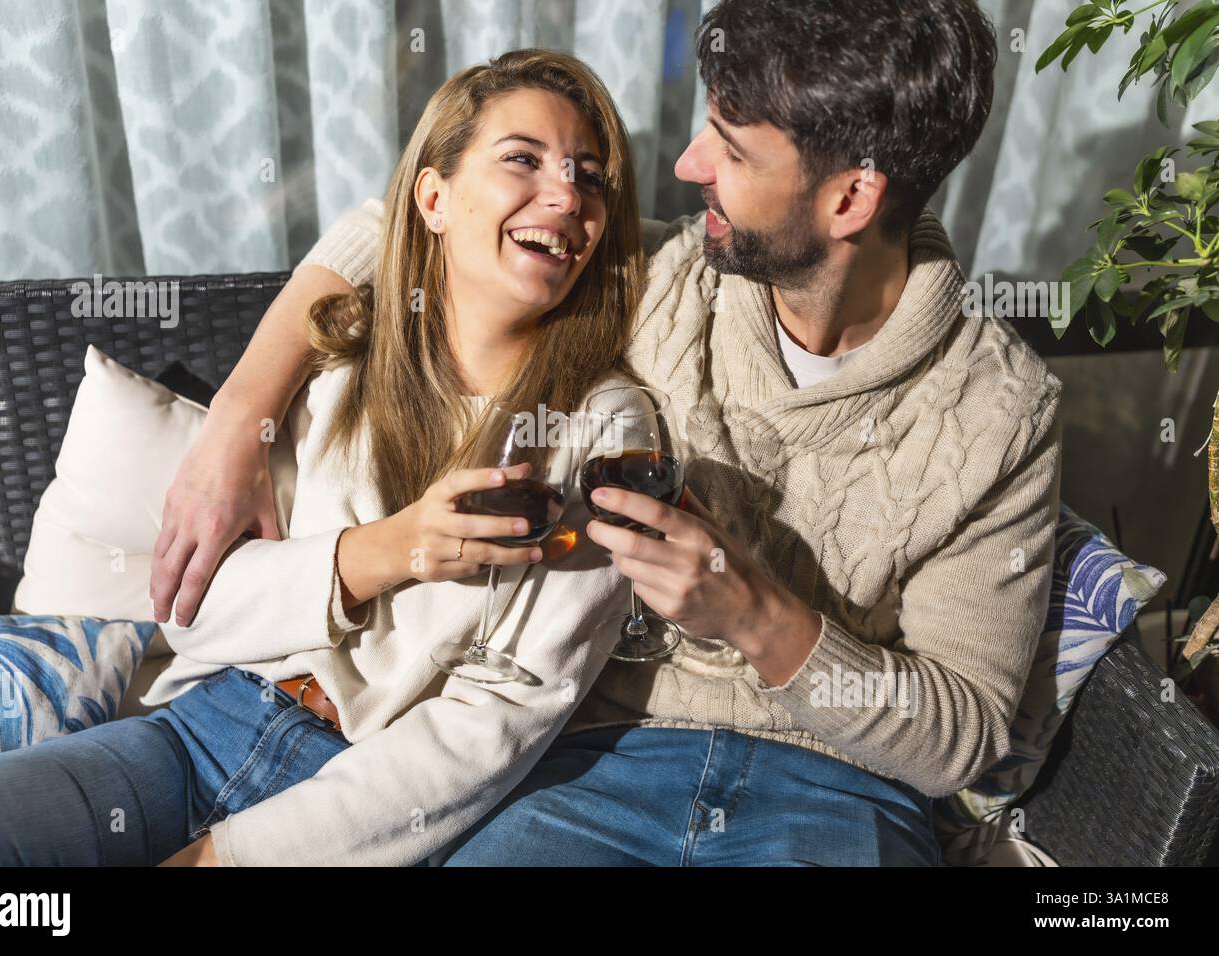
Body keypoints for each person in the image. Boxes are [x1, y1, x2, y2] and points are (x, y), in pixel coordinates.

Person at [156, 0, 1062, 866]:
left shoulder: (1002, 415)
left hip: (839, 797)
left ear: (851, 198)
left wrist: (757, 617)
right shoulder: (668, 274)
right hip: (590, 768)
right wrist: (242, 414)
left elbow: (964, 736)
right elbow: (403, 221)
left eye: (734, 150)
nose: (689, 163)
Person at [0, 49, 650, 867]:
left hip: (365, 800)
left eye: (590, 178)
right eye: (524, 159)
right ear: (434, 197)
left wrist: (226, 860)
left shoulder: (603, 436)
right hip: (199, 729)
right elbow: (196, 614)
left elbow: (491, 729)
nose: (566, 195)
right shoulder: (337, 363)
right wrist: (381, 552)